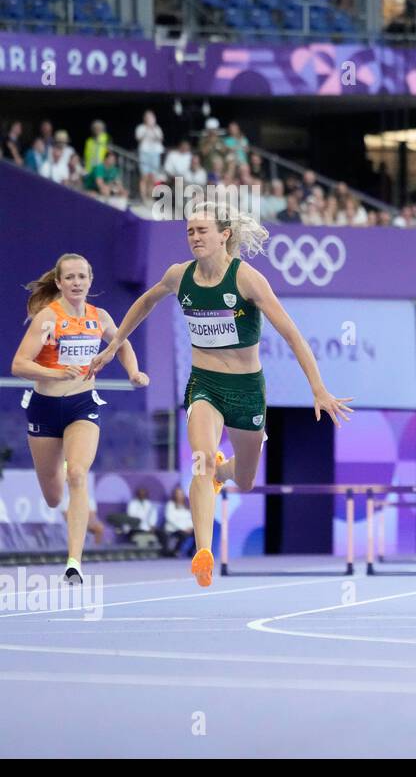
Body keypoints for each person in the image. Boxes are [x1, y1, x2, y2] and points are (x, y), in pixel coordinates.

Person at [89, 205, 353, 587]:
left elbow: (292, 335)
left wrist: (318, 388)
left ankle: (223, 473)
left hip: (246, 390)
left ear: (224, 234)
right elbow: (146, 301)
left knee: (243, 479)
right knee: (200, 463)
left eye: (202, 230)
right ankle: (203, 551)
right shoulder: (179, 276)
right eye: (190, 231)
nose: (194, 237)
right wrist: (115, 344)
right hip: (205, 385)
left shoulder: (246, 280)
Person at [10, 254, 148, 584]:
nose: (76, 283)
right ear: (59, 282)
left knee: (78, 474)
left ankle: (74, 562)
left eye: (81, 277)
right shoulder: (48, 318)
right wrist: (53, 371)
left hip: (82, 407)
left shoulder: (99, 317)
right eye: (69, 277)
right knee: (54, 496)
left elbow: (121, 344)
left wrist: (134, 372)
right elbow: (18, 364)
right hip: (44, 409)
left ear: (90, 280)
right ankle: (57, 467)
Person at [164, 485, 195, 557]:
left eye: (181, 494)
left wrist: (190, 527)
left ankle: (191, 551)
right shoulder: (170, 505)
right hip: (174, 529)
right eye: (178, 494)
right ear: (174, 495)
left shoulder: (186, 506)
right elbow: (170, 519)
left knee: (197, 534)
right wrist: (183, 528)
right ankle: (175, 552)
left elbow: (190, 518)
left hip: (187, 528)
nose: (180, 496)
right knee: (182, 534)